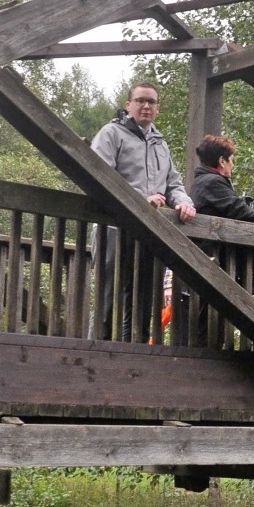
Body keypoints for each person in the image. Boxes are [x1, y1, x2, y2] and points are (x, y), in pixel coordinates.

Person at [89, 81, 196, 340]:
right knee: (109, 296)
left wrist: (184, 202)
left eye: (151, 102)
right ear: (128, 105)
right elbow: (99, 176)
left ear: (158, 108)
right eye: (140, 101)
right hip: (114, 227)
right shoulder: (111, 133)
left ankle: (134, 356)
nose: (146, 106)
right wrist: (140, 199)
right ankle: (95, 356)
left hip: (149, 232)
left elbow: (173, 183)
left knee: (143, 299)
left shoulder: (160, 143)